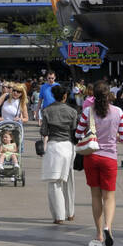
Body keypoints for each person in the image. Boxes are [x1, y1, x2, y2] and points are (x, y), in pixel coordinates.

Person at [76, 81, 123, 246]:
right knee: (109, 197)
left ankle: (98, 233)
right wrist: (115, 137)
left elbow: (78, 133)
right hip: (109, 158)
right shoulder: (118, 112)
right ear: (109, 95)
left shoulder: (87, 112)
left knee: (95, 196)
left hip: (91, 157)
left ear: (93, 95)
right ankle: (108, 227)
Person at [39, 85, 78, 224]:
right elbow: (75, 132)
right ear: (65, 96)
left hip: (54, 147)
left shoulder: (47, 111)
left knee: (55, 182)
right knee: (69, 180)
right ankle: (71, 213)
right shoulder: (72, 112)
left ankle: (59, 215)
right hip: (69, 146)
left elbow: (44, 131)